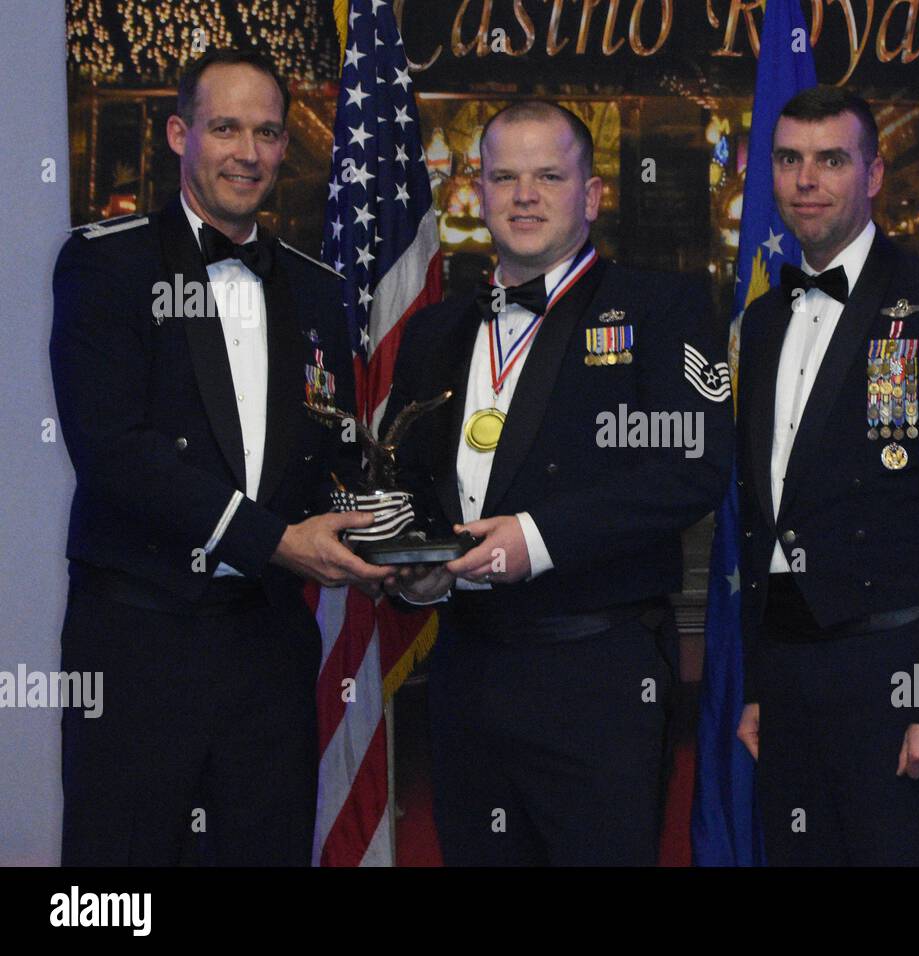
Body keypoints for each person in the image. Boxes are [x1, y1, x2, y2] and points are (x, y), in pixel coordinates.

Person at [50, 48, 392, 866]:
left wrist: (402, 535)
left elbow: (333, 448)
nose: (248, 151)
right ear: (180, 134)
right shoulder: (106, 262)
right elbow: (113, 452)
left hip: (267, 651)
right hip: (136, 644)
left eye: (267, 132)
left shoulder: (317, 289)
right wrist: (274, 540)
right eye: (226, 128)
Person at [380, 101, 733, 866]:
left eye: (549, 175)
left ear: (593, 194)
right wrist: (412, 571)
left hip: (599, 676)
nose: (525, 195)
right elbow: (410, 479)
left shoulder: (660, 309)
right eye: (504, 176)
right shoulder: (434, 331)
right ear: (475, 190)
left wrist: (534, 540)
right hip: (466, 671)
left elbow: (693, 469)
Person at [731, 86, 919, 865]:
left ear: (875, 173)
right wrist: (759, 683)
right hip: (790, 670)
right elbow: (764, 519)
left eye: (831, 159)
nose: (807, 179)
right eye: (789, 160)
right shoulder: (760, 324)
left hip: (901, 674)